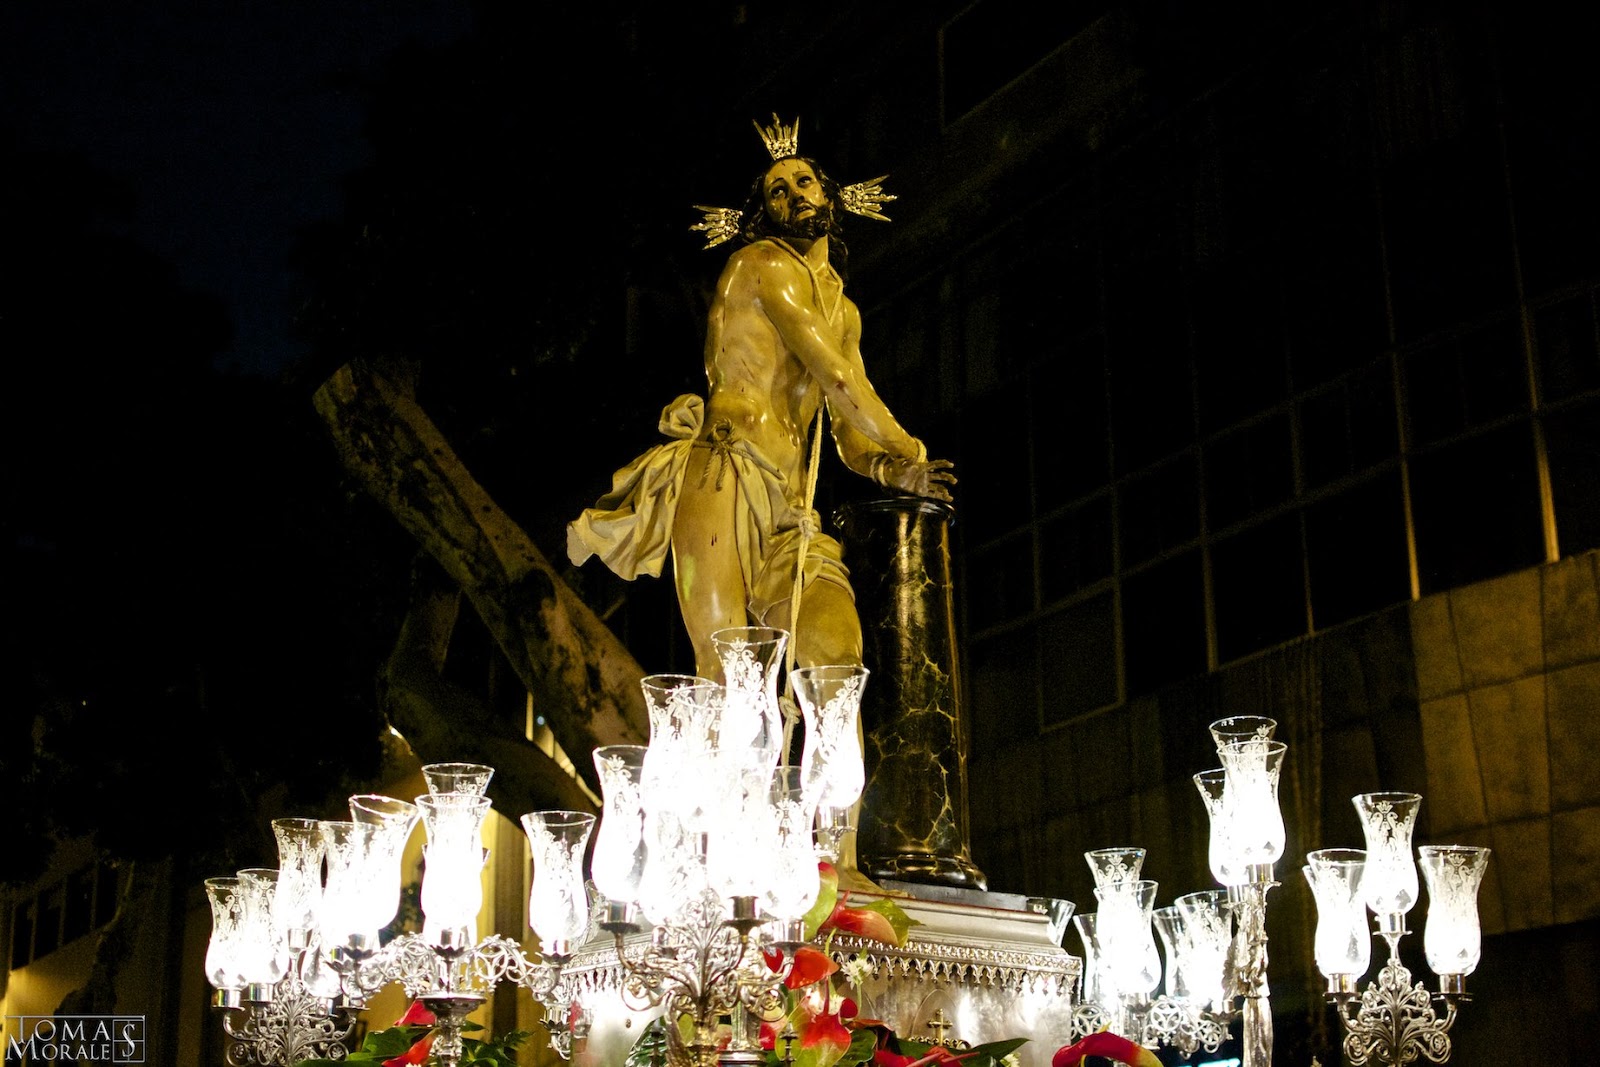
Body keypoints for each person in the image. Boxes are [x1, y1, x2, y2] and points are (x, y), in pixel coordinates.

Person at [568, 117, 954, 684]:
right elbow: (839, 378)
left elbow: (847, 438)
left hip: (792, 511)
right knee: (730, 666)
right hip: (725, 473)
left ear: (829, 196)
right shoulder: (760, 265)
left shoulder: (844, 313)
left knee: (836, 661)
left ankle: (835, 775)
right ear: (764, 214)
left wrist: (896, 471)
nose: (795, 194)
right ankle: (719, 769)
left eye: (804, 182)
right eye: (779, 190)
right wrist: (911, 446)